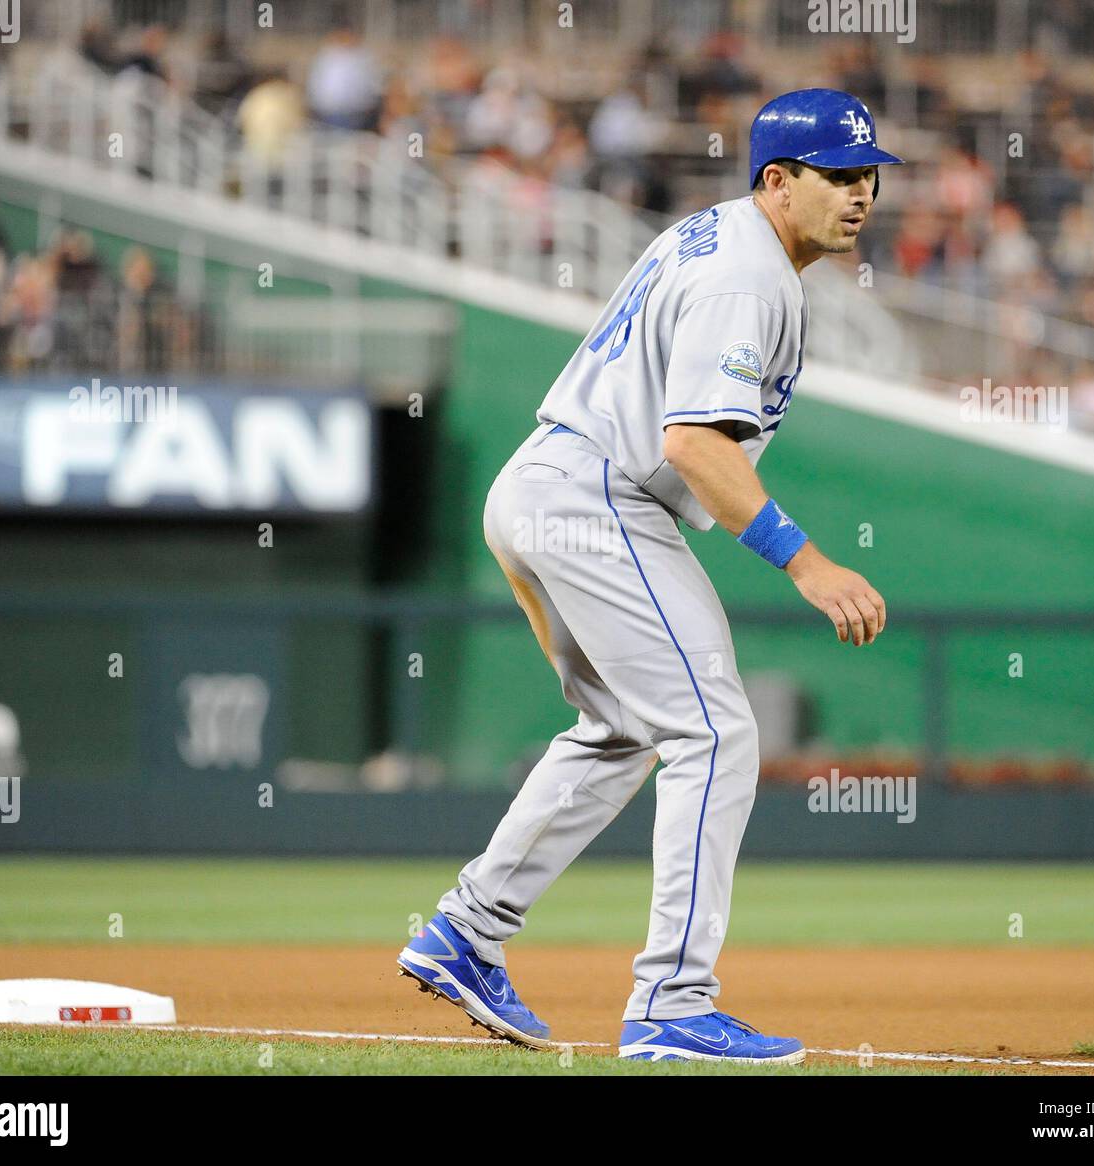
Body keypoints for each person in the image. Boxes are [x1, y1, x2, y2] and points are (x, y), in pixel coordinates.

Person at [398, 89, 900, 1065]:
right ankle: (673, 1000)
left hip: (544, 485)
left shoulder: (716, 239)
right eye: (836, 175)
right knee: (715, 730)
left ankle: (467, 927)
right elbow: (692, 441)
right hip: (597, 494)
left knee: (623, 729)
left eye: (866, 174)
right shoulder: (751, 275)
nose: (859, 192)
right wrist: (806, 560)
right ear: (775, 179)